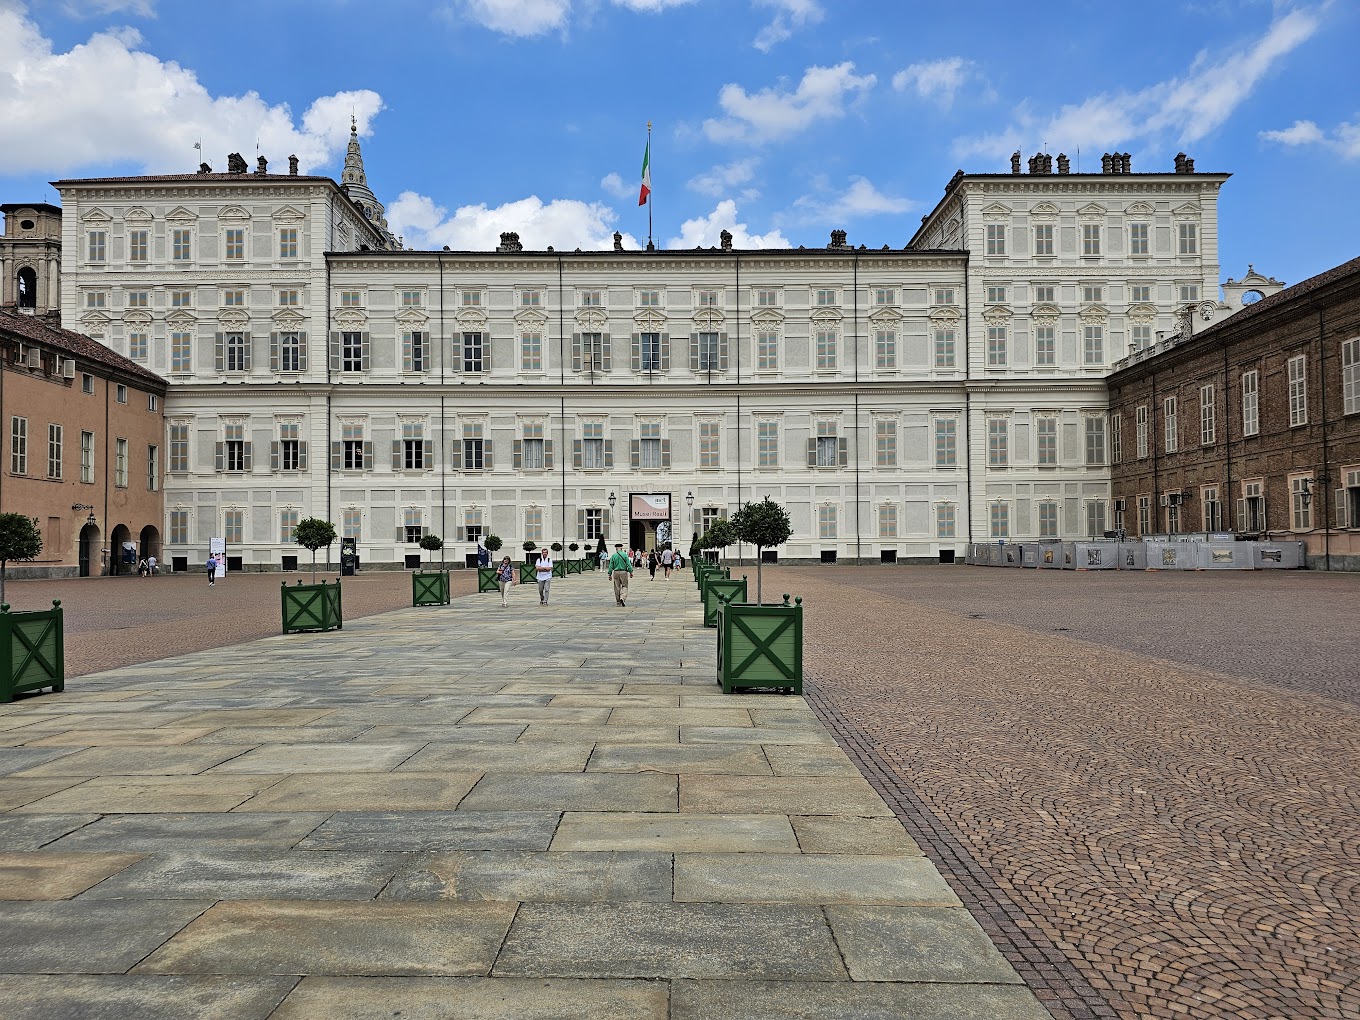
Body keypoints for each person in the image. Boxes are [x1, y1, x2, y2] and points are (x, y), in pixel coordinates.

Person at [608, 542, 634, 607]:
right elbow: (628, 564)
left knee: (617, 587)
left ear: (616, 548)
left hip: (616, 572)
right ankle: (622, 597)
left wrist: (609, 574)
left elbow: (611, 565)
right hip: (623, 572)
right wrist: (631, 572)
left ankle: (618, 602)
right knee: (625, 586)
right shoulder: (624, 555)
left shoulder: (614, 556)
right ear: (621, 548)